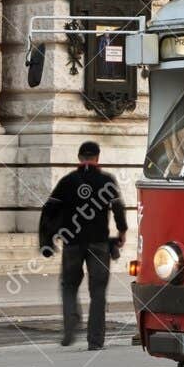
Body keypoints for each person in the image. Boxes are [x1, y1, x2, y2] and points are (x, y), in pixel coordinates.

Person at [39, 141, 127, 350]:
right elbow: (117, 207)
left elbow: (49, 210)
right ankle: (95, 341)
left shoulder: (67, 181)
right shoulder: (106, 180)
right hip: (99, 244)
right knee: (98, 292)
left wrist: (47, 240)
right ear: (97, 158)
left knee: (69, 285)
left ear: (79, 158)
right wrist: (121, 231)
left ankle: (70, 321)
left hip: (72, 244)